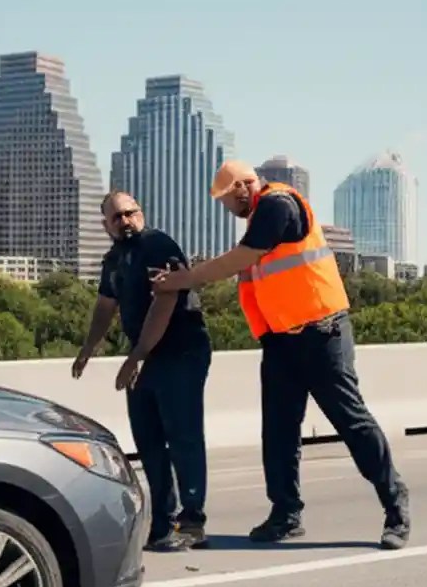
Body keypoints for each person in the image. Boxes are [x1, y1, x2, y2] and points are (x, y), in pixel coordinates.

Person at [151, 160, 411, 550]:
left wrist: (184, 279)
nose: (227, 208)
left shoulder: (279, 205)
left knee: (352, 423)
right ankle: (285, 515)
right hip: (281, 343)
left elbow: (238, 259)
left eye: (227, 200)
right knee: (279, 433)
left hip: (323, 335)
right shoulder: (260, 217)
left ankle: (395, 507)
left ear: (243, 187)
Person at [73, 191, 212, 552]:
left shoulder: (157, 245)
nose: (125, 221)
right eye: (116, 217)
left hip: (179, 350)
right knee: (148, 440)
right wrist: (89, 348)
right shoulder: (114, 259)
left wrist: (136, 357)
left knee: (182, 436)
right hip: (145, 354)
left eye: (130, 213)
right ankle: (164, 523)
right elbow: (106, 305)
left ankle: (192, 520)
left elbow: (165, 301)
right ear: (106, 225)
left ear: (141, 214)